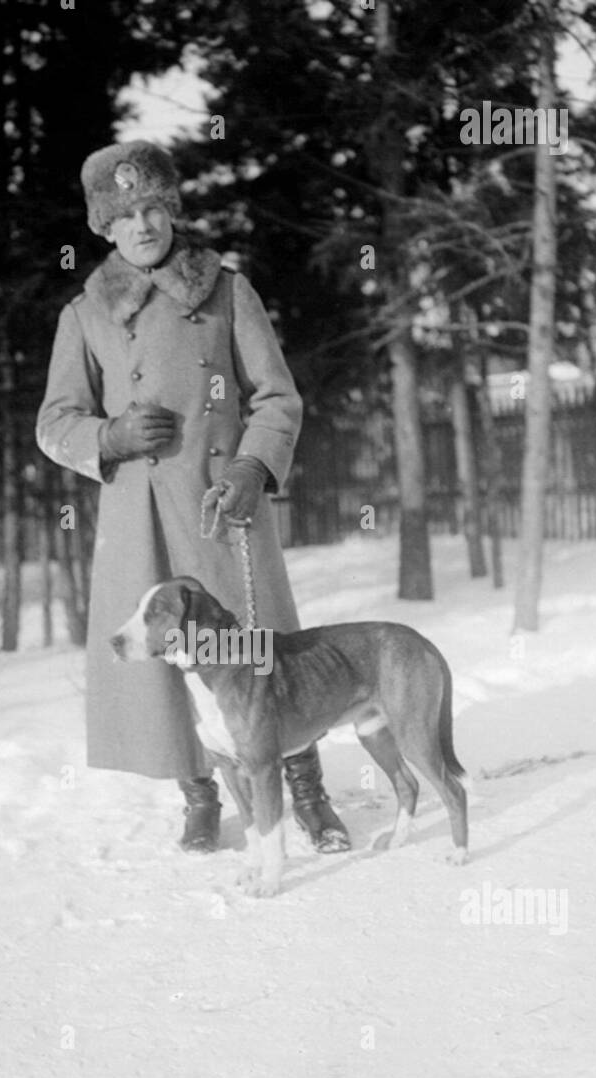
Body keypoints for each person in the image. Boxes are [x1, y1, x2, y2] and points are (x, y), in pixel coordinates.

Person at [36, 140, 349, 855]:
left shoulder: (227, 291)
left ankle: (308, 794)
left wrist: (249, 470)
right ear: (103, 229)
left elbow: (277, 398)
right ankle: (200, 796)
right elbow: (53, 424)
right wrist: (109, 437)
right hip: (139, 517)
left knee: (263, 648)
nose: (143, 225)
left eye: (153, 207)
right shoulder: (83, 315)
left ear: (172, 211)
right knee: (165, 659)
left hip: (223, 509)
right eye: (125, 215)